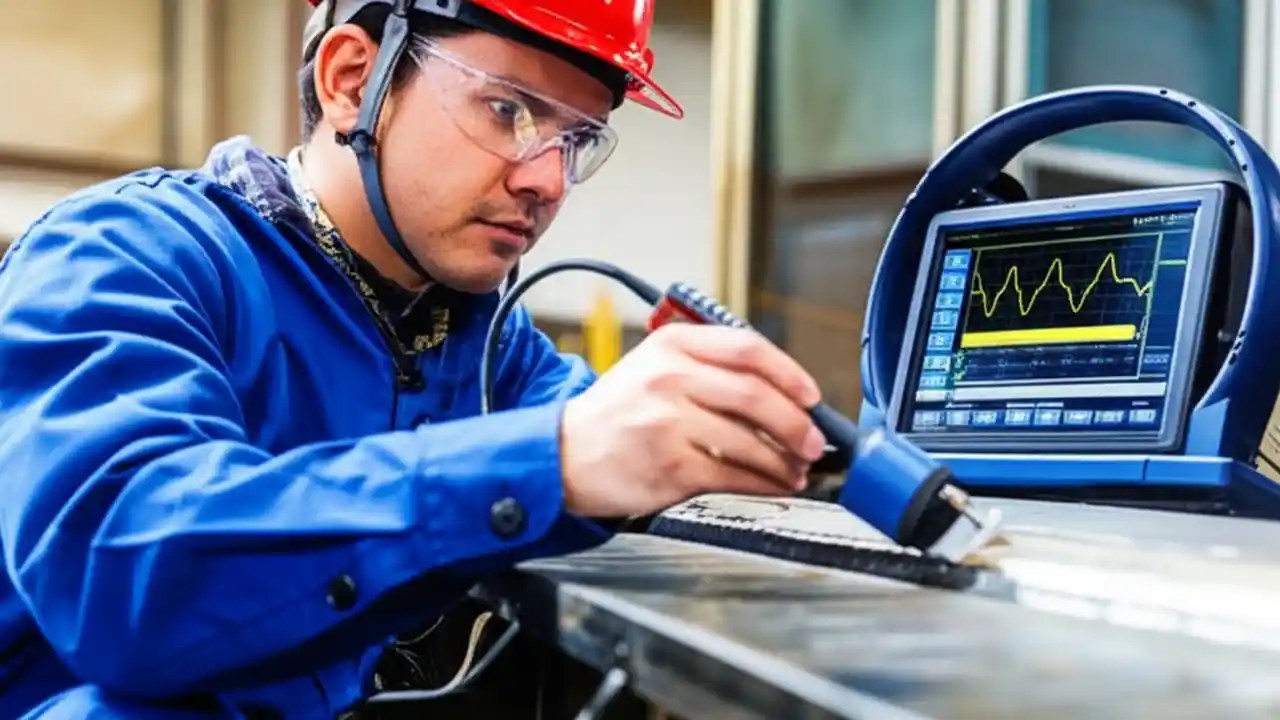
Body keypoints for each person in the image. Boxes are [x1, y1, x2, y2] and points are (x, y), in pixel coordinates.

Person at [0, 0, 826, 717]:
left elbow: (607, 428)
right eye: (510, 111)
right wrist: (558, 459)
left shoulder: (476, 341)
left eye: (578, 139)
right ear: (353, 79)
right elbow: (126, 576)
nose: (548, 180)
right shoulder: (129, 256)